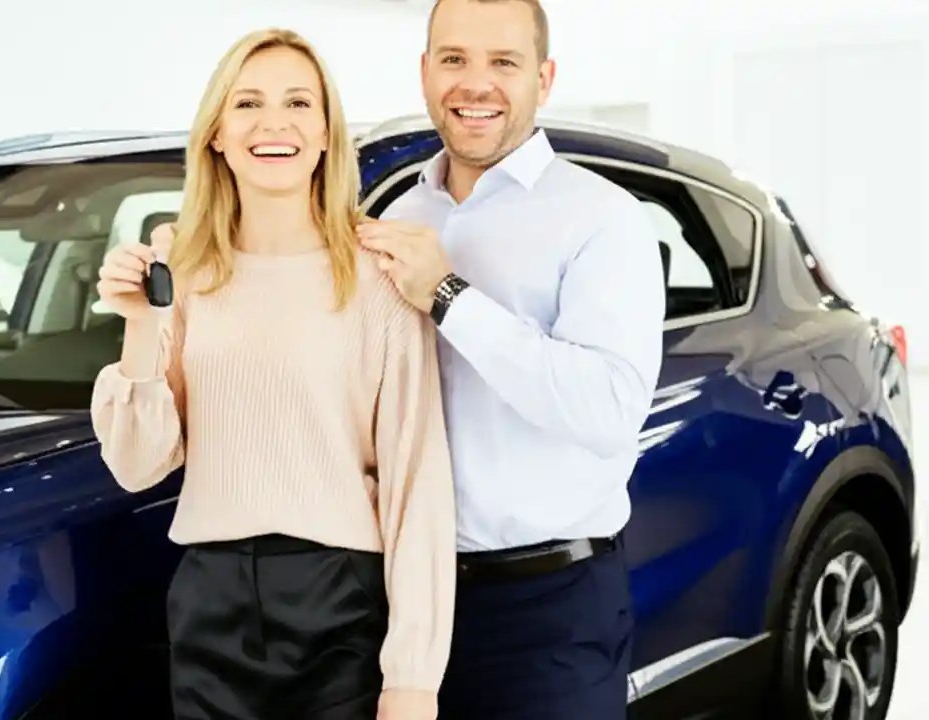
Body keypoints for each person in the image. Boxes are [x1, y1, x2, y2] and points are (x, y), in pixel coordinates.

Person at [89, 27, 456, 720]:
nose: (274, 123)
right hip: (210, 597)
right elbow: (137, 466)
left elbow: (418, 482)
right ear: (217, 135)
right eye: (249, 103)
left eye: (298, 103)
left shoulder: (378, 276)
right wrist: (141, 323)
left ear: (325, 133)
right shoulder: (185, 273)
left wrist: (413, 680)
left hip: (339, 599)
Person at [357, 0, 665, 717]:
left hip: (547, 609)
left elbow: (610, 407)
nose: (475, 84)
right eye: (455, 59)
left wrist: (447, 295)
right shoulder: (399, 219)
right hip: (403, 603)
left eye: (504, 62)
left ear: (544, 78)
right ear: (426, 72)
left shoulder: (601, 217)